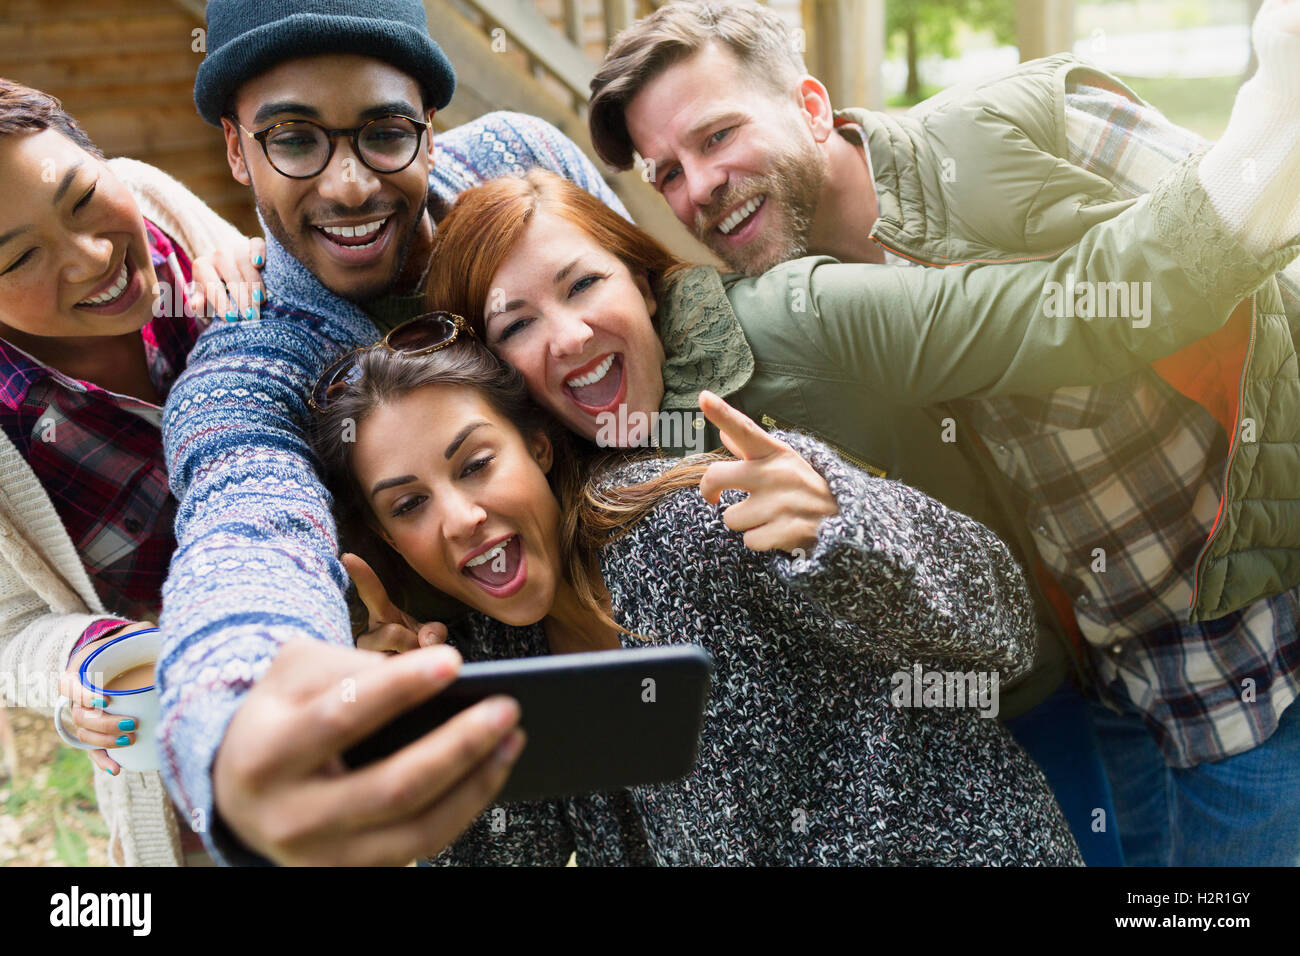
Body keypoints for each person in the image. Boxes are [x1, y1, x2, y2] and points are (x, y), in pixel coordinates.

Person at [584, 0, 1300, 865]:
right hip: (1099, 677)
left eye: (716, 137)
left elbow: (1263, 234)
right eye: (666, 173)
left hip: (1240, 637)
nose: (697, 188)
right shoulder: (787, 324)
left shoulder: (1028, 125)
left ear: (812, 107)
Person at [309, 322, 1082, 865]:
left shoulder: (698, 517)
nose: (460, 517)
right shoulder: (500, 653)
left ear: (538, 447)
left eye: (475, 463)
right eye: (409, 504)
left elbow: (1004, 631)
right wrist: (422, 727)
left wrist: (848, 526)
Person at [155, 0, 637, 865]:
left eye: (384, 131)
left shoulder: (523, 164)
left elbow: (653, 331)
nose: (350, 185)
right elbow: (245, 519)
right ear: (236, 148)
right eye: (295, 140)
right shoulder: (254, 357)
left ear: (428, 122)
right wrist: (238, 717)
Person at [0, 78, 267, 865]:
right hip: (187, 775)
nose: (91, 256)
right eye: (18, 257)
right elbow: (10, 630)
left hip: (346, 670)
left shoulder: (173, 221)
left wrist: (262, 280)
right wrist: (78, 662)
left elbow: (311, 390)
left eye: (83, 198)